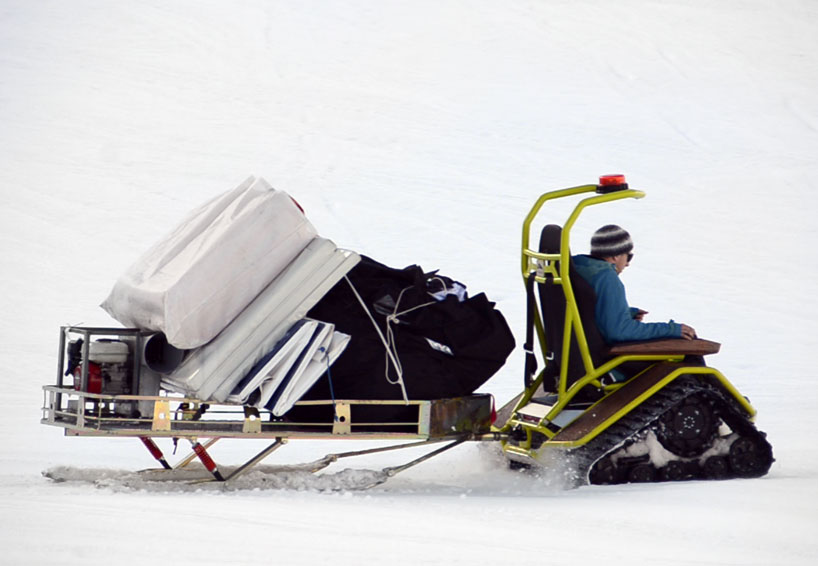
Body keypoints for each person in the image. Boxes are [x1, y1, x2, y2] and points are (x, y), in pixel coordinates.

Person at [573, 225, 697, 344]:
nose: (627, 264)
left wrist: (624, 313)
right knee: (689, 351)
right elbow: (619, 331)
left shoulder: (574, 270)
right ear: (616, 255)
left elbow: (585, 309)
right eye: (628, 256)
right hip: (601, 356)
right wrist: (670, 329)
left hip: (573, 349)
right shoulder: (606, 278)